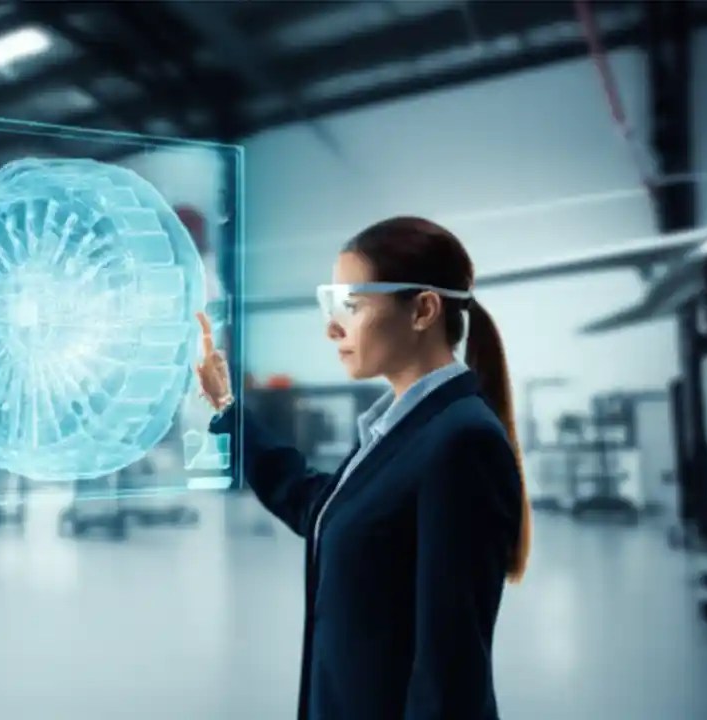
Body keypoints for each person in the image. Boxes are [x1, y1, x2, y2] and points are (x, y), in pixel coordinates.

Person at [194, 216, 530, 720]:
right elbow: (318, 507)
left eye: (350, 306)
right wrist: (226, 407)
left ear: (423, 310)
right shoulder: (400, 427)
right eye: (330, 304)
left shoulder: (462, 442)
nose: (332, 326)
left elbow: (450, 672)